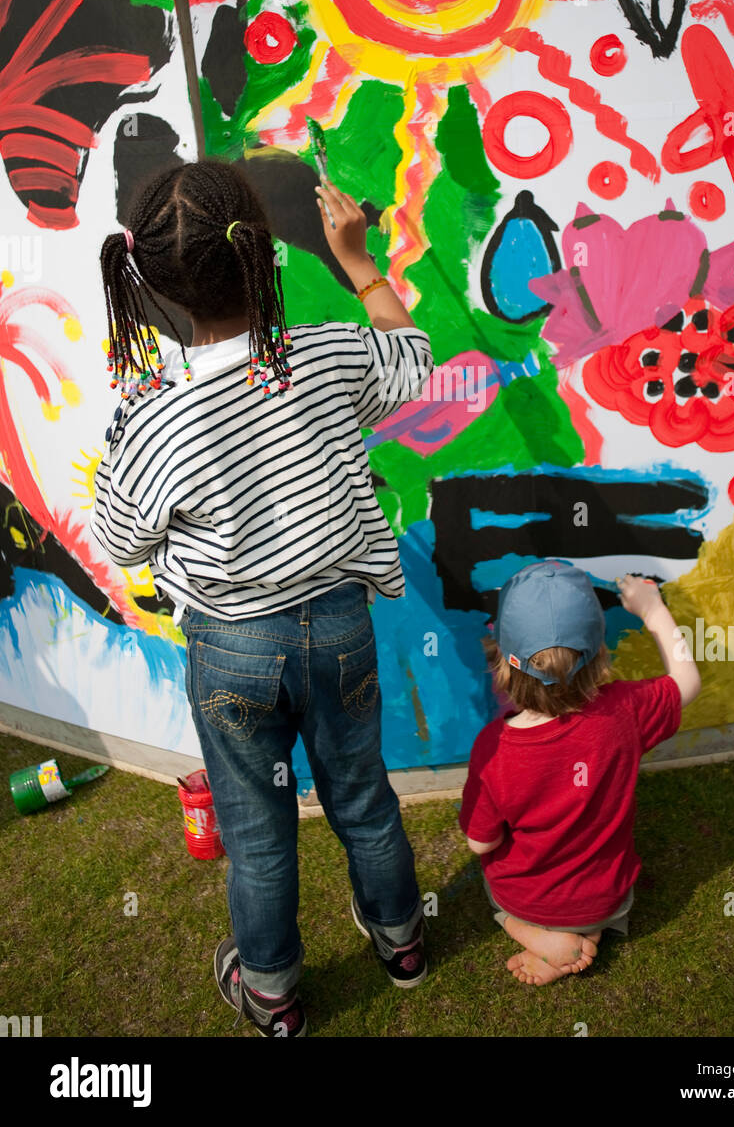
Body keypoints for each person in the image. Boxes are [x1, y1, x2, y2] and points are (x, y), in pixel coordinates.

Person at [90, 159, 435, 1036]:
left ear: (148, 279)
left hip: (231, 648)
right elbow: (414, 358)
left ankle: (273, 992)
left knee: (255, 831)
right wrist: (359, 264)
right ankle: (400, 940)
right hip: (338, 627)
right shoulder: (328, 353)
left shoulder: (151, 417)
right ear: (264, 253)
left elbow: (125, 541)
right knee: (362, 795)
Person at [458, 560, 700, 985]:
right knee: (593, 910)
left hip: (524, 899)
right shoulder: (626, 710)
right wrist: (653, 610)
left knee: (494, 889)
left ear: (503, 661)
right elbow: (687, 681)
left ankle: (523, 928)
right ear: (599, 654)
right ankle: (589, 931)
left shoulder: (493, 748)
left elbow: (481, 843)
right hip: (609, 898)